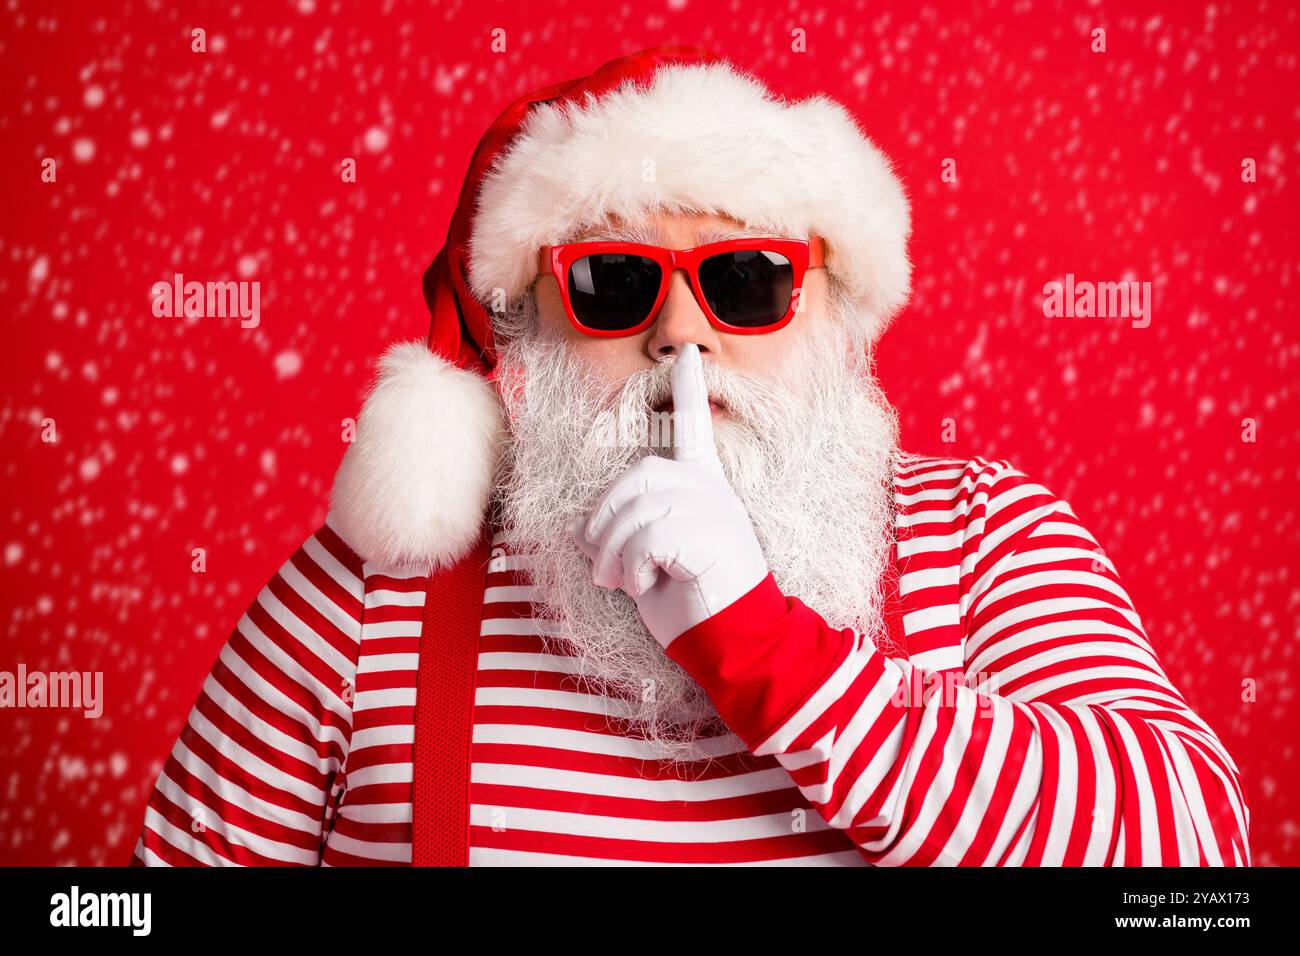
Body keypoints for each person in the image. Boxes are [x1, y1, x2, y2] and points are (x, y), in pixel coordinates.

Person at [132, 45, 1250, 866]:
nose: (684, 334)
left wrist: (762, 641)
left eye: (746, 280)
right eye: (615, 284)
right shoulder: (377, 594)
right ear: (527, 331)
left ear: (837, 314)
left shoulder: (989, 537)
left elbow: (1195, 857)